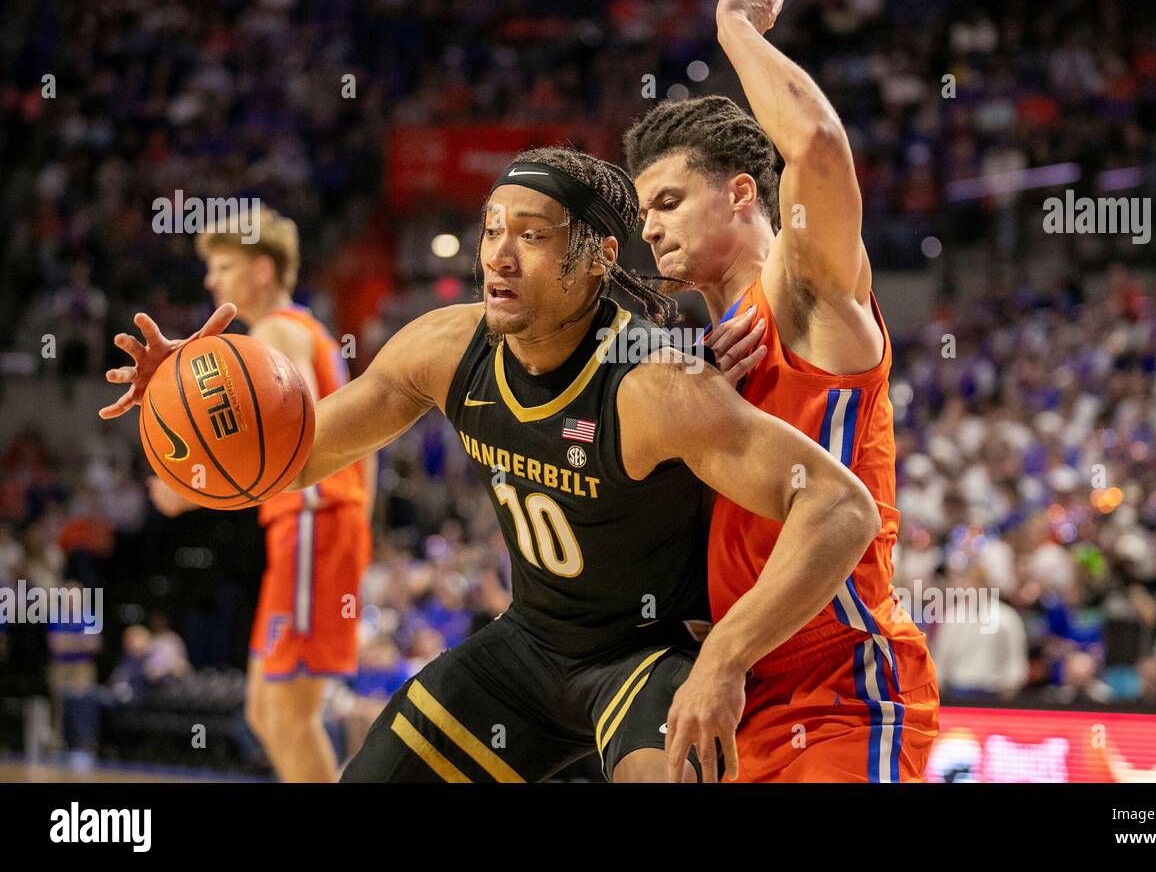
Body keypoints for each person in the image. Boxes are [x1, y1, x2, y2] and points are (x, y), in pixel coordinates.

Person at [100, 147, 882, 783]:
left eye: (533, 236)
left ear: (597, 256)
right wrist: (201, 418)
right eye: (490, 230)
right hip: (530, 647)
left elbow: (842, 508)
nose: (498, 257)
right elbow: (297, 457)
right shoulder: (446, 347)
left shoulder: (657, 386)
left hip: (646, 659)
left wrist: (724, 661)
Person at [624, 0, 939, 782]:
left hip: (841, 688)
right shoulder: (695, 362)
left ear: (737, 193)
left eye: (667, 200)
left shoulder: (801, 290)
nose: (648, 227)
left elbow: (822, 150)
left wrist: (734, 30)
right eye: (642, 210)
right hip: (740, 696)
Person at [100, 206, 375, 782]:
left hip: (314, 523)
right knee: (263, 711)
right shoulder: (296, 332)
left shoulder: (277, 333)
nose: (210, 281)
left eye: (223, 265)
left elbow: (281, 435)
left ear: (262, 270)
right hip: (310, 527)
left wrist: (186, 490)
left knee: (289, 715)